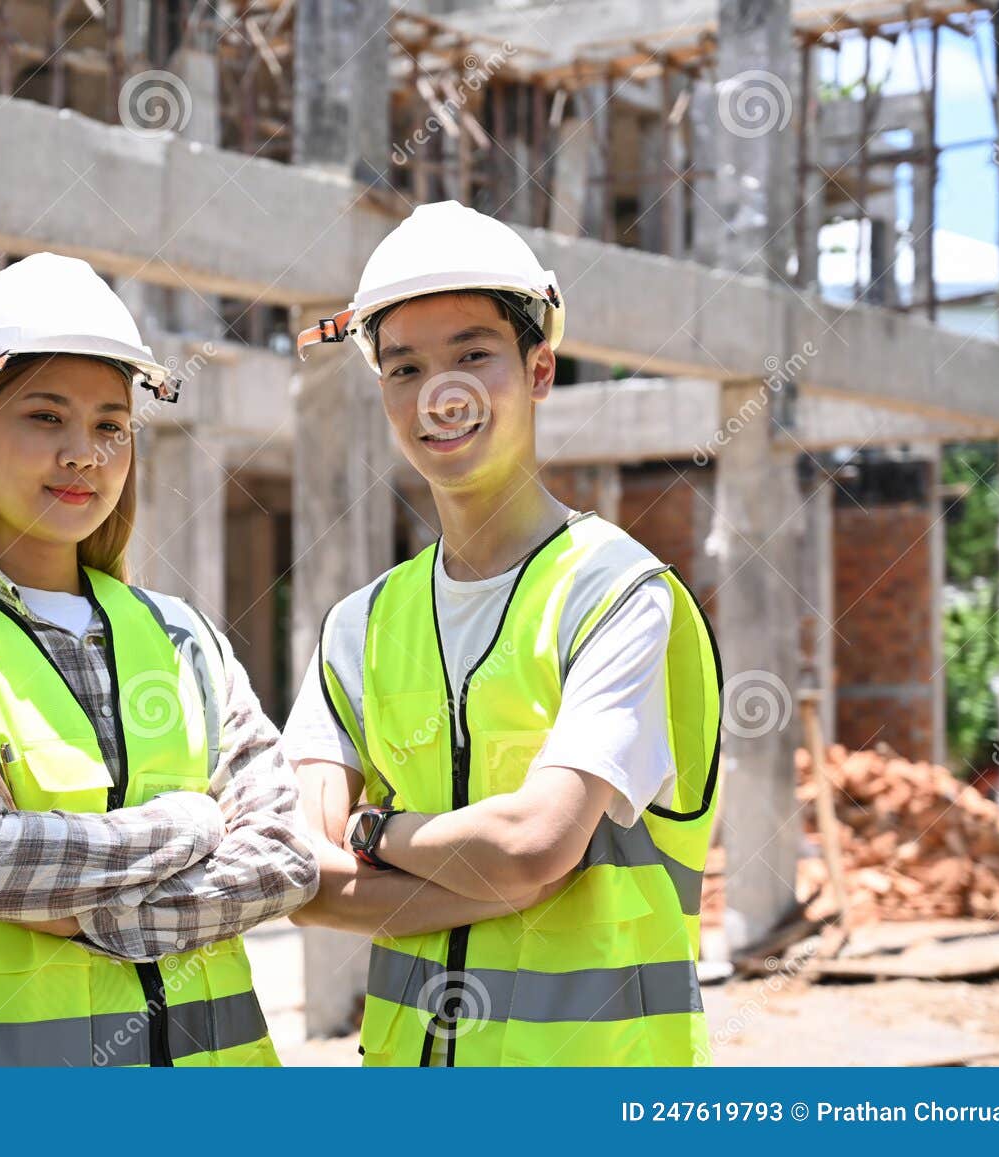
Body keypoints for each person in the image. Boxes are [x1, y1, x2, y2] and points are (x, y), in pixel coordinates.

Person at [0, 253, 317, 1067]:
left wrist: (92, 916)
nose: (84, 453)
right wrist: (193, 822)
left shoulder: (186, 637)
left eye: (109, 424)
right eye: (45, 417)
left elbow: (287, 858)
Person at [286, 201, 722, 1066]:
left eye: (472, 356)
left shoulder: (615, 589)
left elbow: (533, 843)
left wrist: (376, 834)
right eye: (404, 367)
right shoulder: (358, 627)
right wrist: (504, 875)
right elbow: (306, 880)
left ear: (540, 370)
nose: (438, 393)